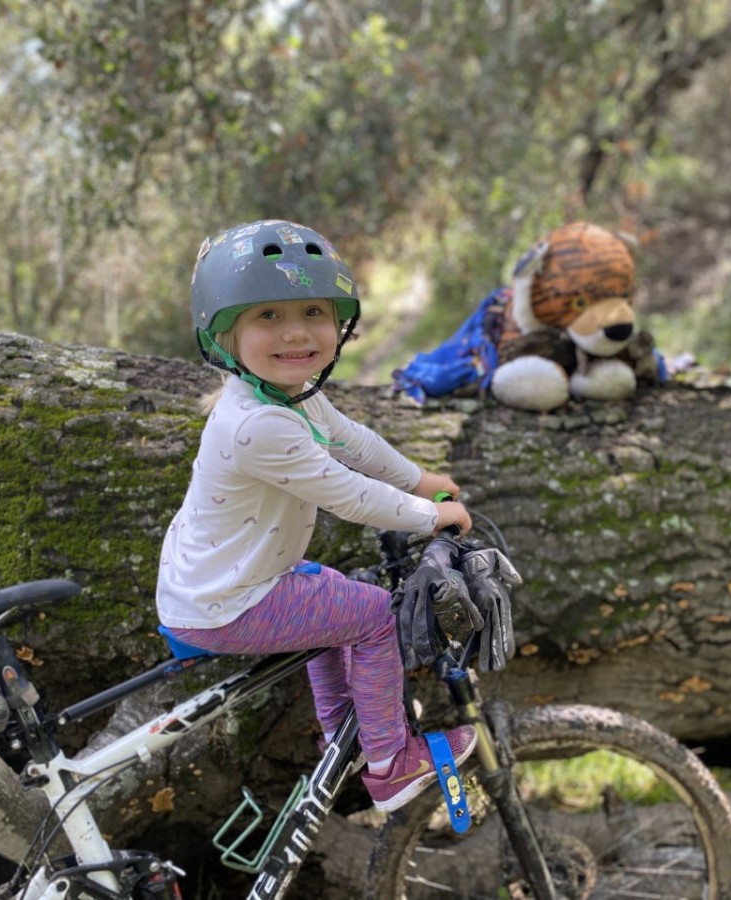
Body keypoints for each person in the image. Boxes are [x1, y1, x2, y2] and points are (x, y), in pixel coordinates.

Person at [156, 219, 476, 812]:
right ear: (224, 335)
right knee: (377, 616)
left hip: (228, 580)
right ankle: (390, 763)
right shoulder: (258, 424)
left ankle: (342, 736)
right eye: (268, 317)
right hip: (226, 601)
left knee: (336, 597)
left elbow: (351, 442)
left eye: (312, 311)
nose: (296, 332)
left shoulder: (289, 395)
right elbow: (348, 493)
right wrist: (429, 516)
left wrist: (419, 480)